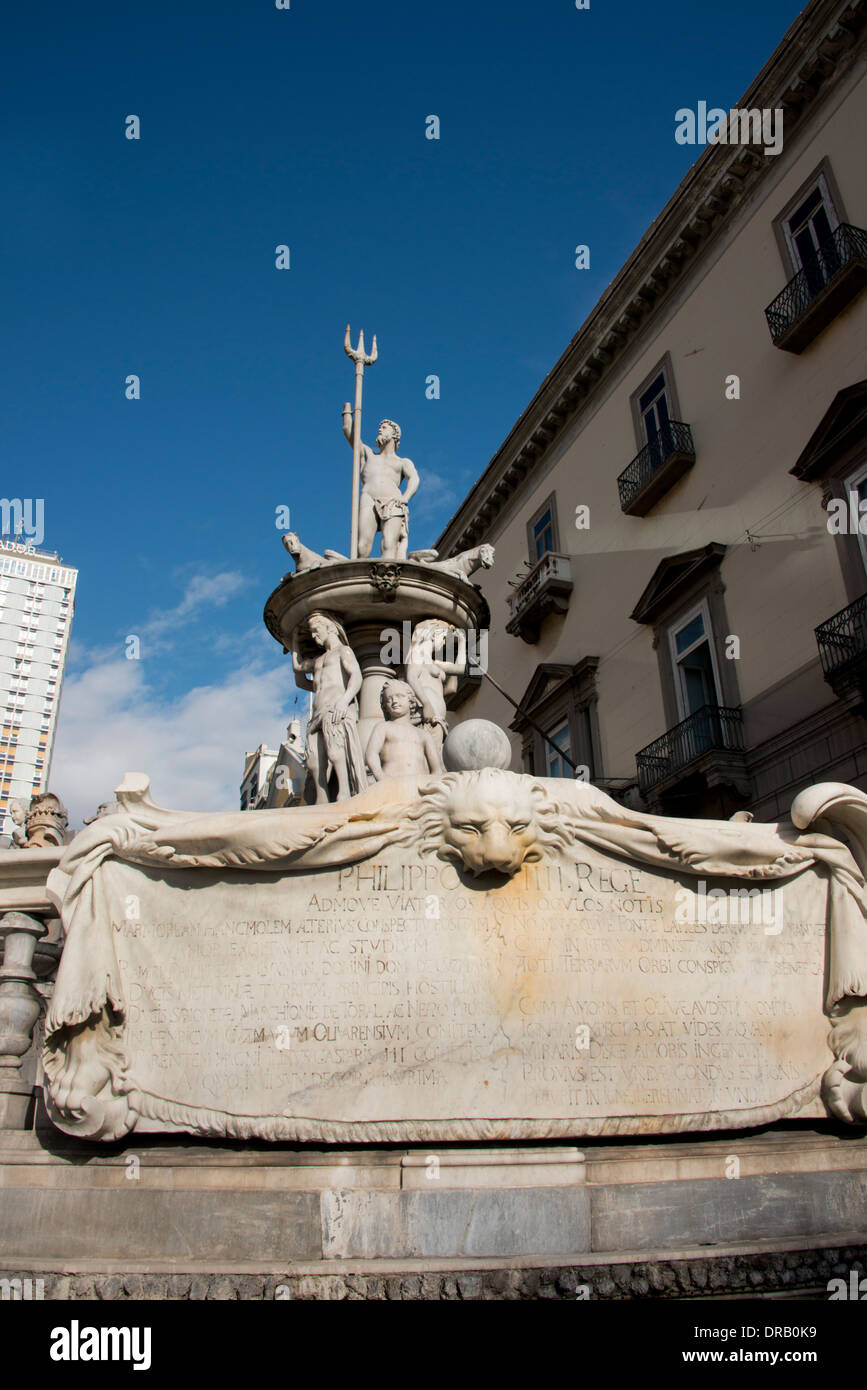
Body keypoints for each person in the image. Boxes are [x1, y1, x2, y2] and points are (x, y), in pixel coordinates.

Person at [292, 612, 366, 802]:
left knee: (335, 751)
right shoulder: (318, 660)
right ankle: (321, 796)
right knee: (314, 760)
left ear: (330, 628)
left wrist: (345, 700)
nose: (315, 637)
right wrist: (293, 641)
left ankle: (344, 791)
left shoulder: (344, 651)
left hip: (335, 707)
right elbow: (299, 673)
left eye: (316, 631)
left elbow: (356, 677)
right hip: (317, 712)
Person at [341, 411, 419, 559]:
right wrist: (347, 412)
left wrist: (405, 497)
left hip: (393, 501)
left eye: (384, 427)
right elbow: (348, 430)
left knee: (389, 546)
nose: (380, 429)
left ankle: (387, 580)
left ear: (395, 435)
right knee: (362, 547)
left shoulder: (402, 462)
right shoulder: (367, 454)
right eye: (380, 427)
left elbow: (414, 478)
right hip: (368, 498)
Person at [365, 680, 445, 781]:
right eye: (389, 699)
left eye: (399, 696)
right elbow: (371, 754)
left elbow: (436, 769)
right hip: (391, 783)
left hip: (419, 786)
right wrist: (380, 776)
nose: (394, 701)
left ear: (410, 701)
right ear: (385, 706)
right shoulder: (383, 727)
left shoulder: (423, 735)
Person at [405, 620, 466, 747]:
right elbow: (412, 677)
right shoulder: (417, 654)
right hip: (425, 713)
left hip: (438, 717)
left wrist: (462, 642)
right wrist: (427, 704)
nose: (444, 642)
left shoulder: (435, 663)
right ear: (433, 635)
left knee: (435, 758)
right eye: (443, 638)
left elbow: (459, 669)